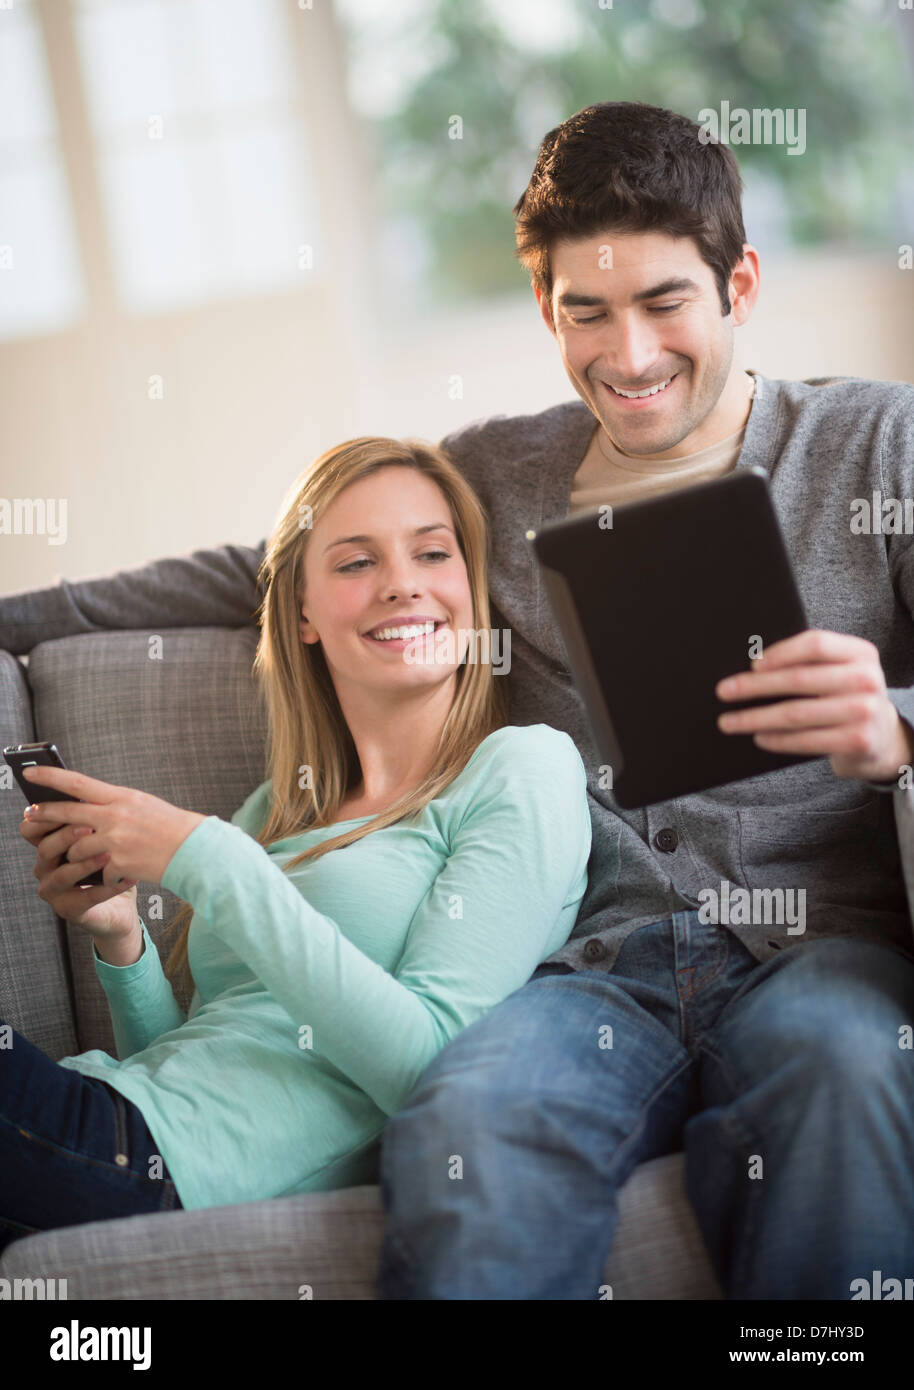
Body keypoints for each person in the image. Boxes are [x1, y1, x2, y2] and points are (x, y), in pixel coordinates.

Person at [2, 99, 913, 1299]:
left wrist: (894, 734)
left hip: (821, 950)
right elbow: (275, 562)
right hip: (603, 972)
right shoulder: (497, 476)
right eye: (585, 313)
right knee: (468, 1116)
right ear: (544, 307)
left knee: (844, 1069)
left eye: (662, 304)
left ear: (737, 283)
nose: (626, 356)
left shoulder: (870, 448)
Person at [0, 436, 591, 1253]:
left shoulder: (520, 768)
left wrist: (208, 857)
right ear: (304, 613)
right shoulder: (277, 810)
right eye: (355, 563)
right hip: (120, 1130)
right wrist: (123, 940)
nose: (403, 584)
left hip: (146, 1163)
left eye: (431, 552)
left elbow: (436, 1075)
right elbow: (191, 1060)